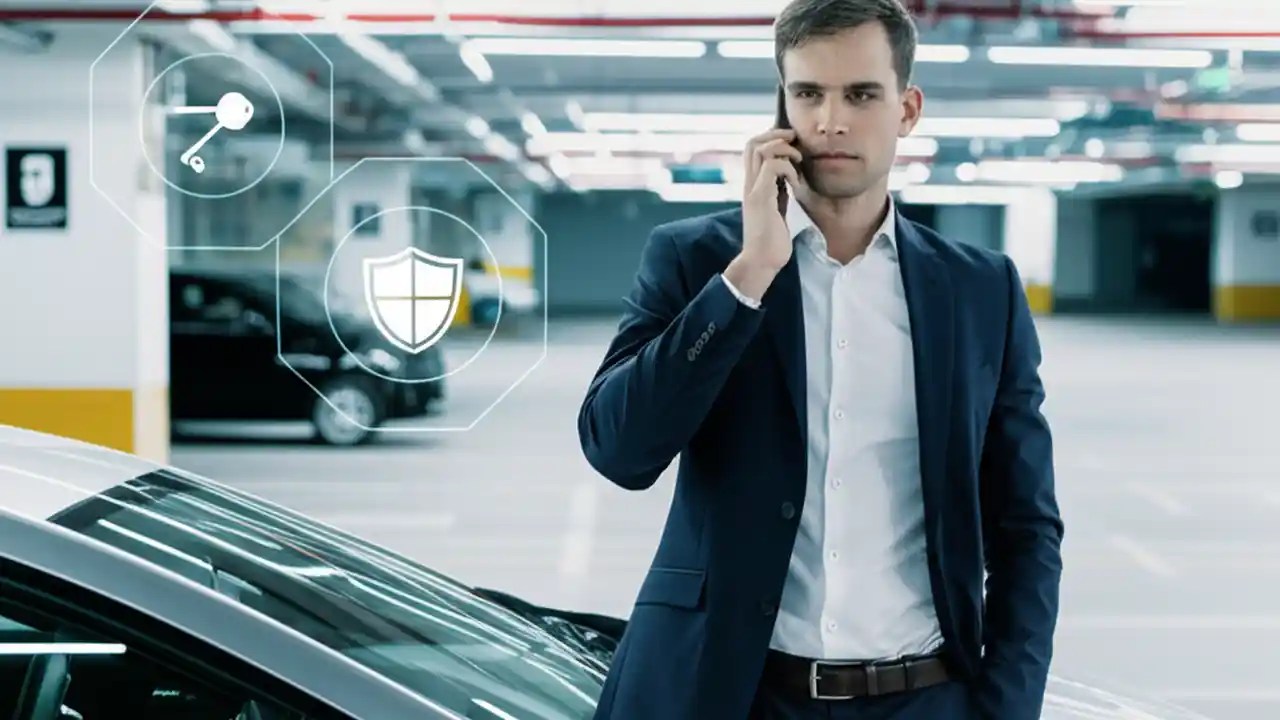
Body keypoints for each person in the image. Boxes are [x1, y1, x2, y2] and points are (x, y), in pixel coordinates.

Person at [576, 0, 1064, 718]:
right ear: (781, 107)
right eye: (808, 93)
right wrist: (748, 278)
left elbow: (1027, 527)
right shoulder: (696, 261)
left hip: (925, 698)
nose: (831, 120)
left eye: (861, 94)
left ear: (907, 109)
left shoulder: (979, 290)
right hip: (731, 695)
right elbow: (618, 451)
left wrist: (1005, 706)